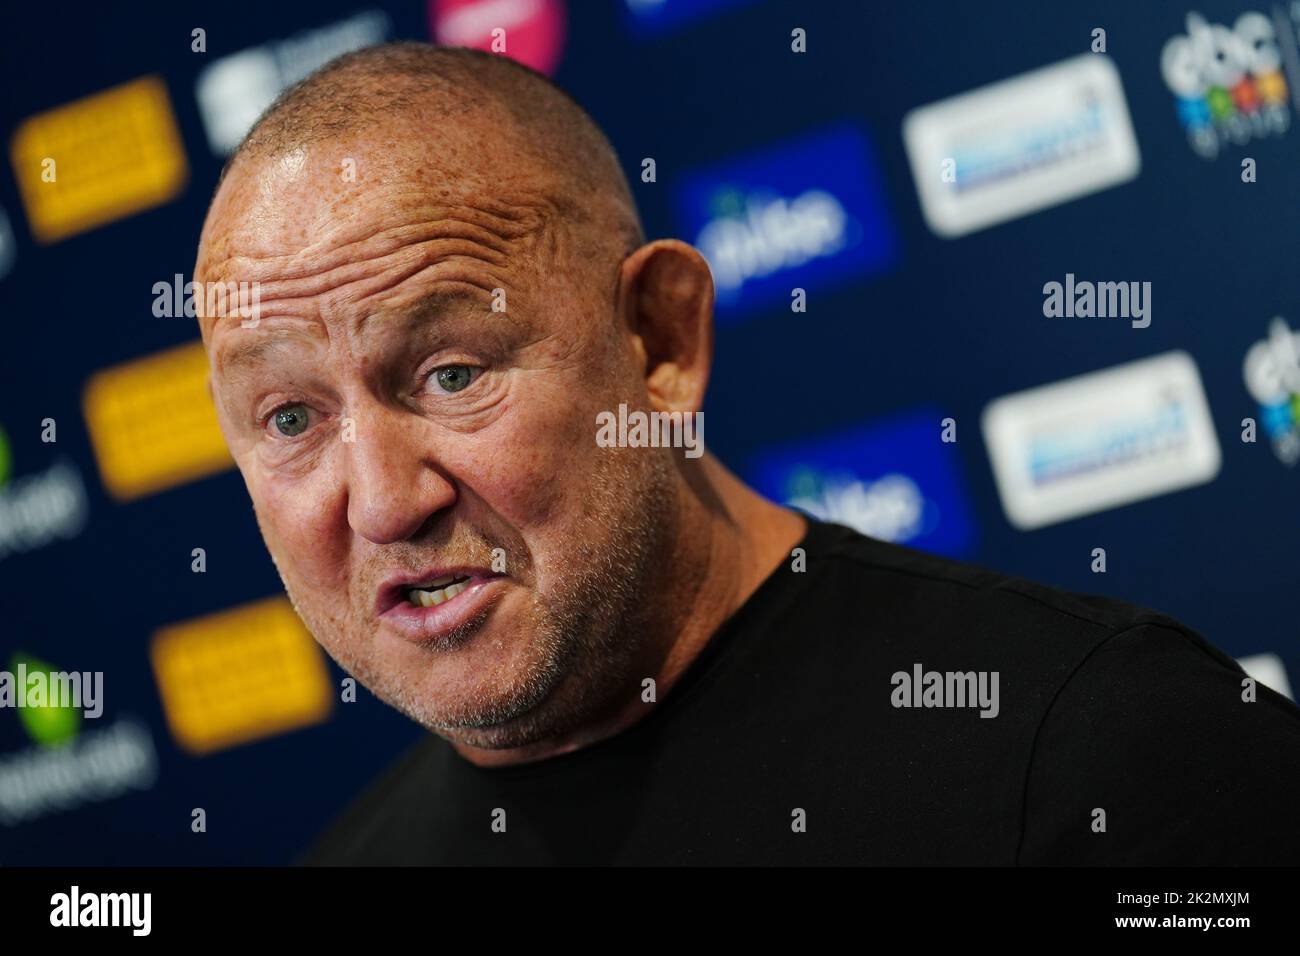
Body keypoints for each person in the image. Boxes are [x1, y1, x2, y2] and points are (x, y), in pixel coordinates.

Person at [194, 42, 1300, 865]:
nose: (385, 501)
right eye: (290, 418)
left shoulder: (1111, 755)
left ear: (659, 342)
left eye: (451, 374)